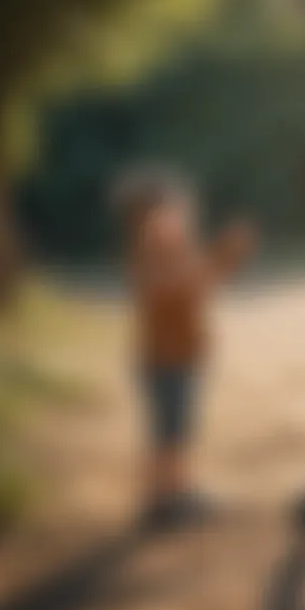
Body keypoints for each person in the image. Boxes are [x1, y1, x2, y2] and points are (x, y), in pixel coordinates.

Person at [112, 170, 258, 531]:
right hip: (163, 360)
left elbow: (204, 282)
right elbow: (179, 287)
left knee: (181, 430)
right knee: (167, 433)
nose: (183, 220)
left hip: (185, 357)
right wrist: (220, 255)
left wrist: (229, 256)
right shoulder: (148, 257)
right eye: (173, 214)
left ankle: (179, 489)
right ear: (145, 222)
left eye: (184, 213)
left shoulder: (178, 252)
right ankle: (160, 499)